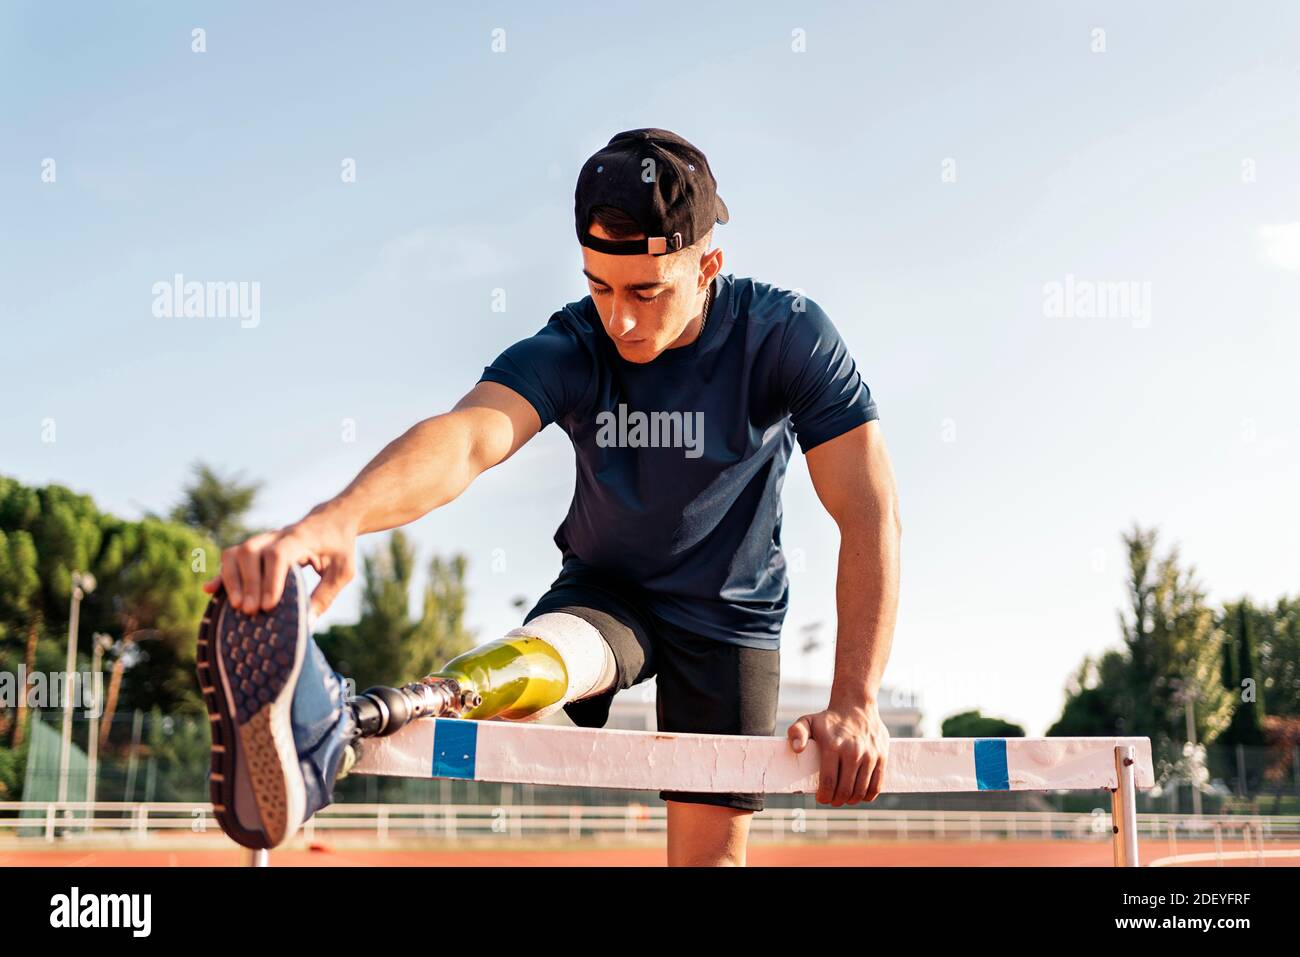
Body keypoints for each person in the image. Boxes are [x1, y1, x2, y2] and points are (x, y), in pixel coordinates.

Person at [197, 128, 902, 865]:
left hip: (731, 617)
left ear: (708, 266)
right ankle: (343, 722)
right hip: (608, 594)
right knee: (533, 672)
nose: (619, 318)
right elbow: (469, 436)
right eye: (598, 285)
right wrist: (337, 519)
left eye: (645, 291)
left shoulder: (788, 336)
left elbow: (870, 510)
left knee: (709, 862)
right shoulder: (576, 342)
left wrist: (857, 696)